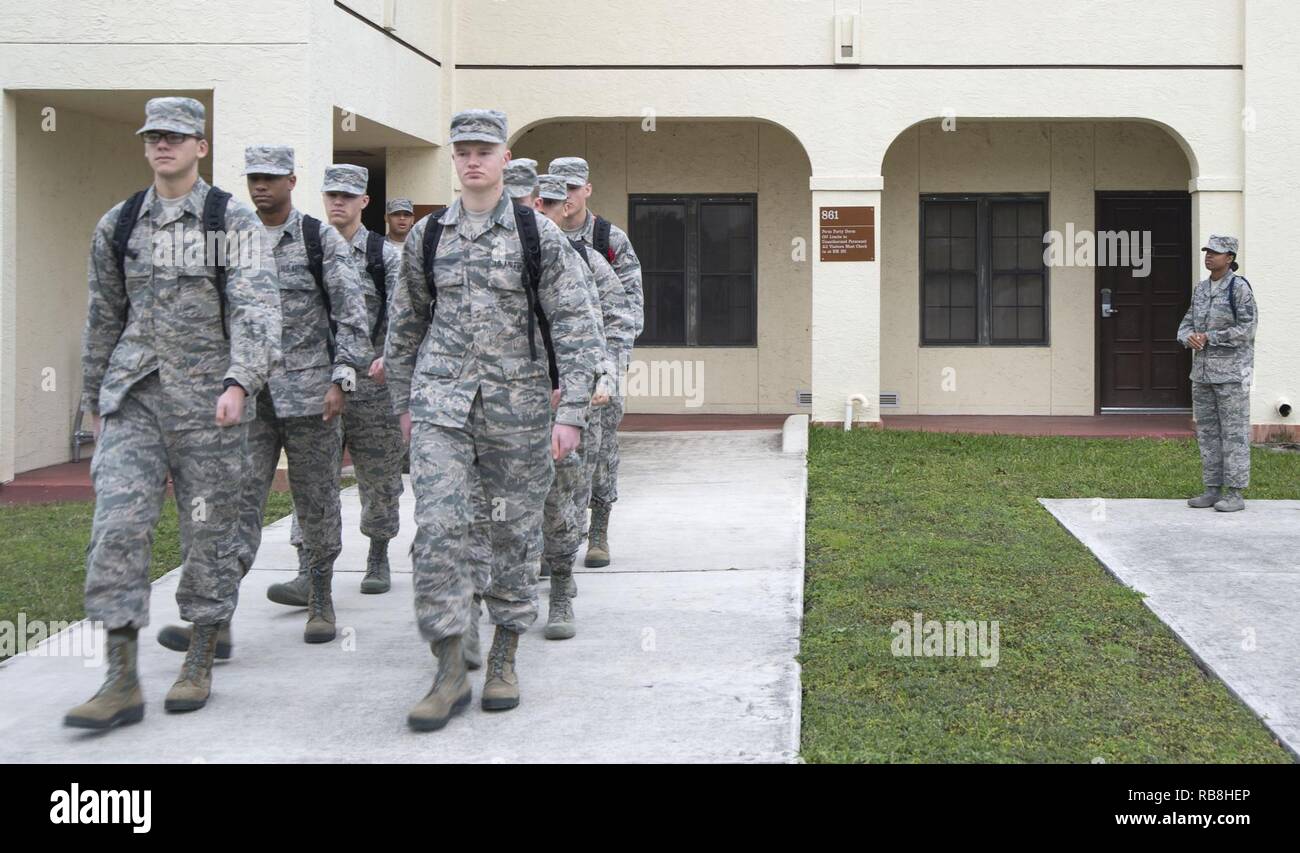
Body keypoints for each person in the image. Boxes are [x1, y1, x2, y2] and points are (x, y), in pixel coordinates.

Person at [385, 110, 604, 731]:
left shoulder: (538, 234)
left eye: (484, 149)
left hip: (520, 409)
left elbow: (574, 325)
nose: (473, 160)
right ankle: (450, 665)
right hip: (440, 407)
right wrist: (404, 403)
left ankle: (505, 651)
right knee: (440, 529)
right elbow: (404, 327)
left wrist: (572, 413)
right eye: (463, 151)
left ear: (505, 157)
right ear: (452, 160)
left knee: (512, 533)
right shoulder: (428, 237)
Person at [66, 97, 280, 727]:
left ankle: (201, 657)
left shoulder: (230, 221)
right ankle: (120, 677)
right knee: (117, 526)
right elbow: (103, 313)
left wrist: (241, 381)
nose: (163, 146)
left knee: (208, 531)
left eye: (176, 137)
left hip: (209, 405)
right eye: (154, 136)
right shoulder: (122, 220)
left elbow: (256, 308)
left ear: (199, 147)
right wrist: (95, 400)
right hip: (134, 396)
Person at [277, 165, 405, 597]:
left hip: (371, 385)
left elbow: (406, 314)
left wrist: (391, 355)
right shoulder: (308, 248)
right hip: (317, 383)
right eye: (331, 194)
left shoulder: (383, 255)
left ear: (364, 202)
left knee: (379, 475)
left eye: (348, 196)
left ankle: (378, 554)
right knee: (313, 477)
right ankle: (307, 567)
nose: (338, 202)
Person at [547, 156, 644, 567]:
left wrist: (610, 370)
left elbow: (629, 310)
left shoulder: (608, 239)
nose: (565, 197)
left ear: (586, 190)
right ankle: (556, 536)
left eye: (573, 188)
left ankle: (598, 531)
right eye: (557, 190)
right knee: (556, 456)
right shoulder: (535, 238)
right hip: (551, 371)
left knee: (600, 452)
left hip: (601, 366)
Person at [1178, 234, 1258, 512]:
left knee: (1233, 433)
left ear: (1230, 258)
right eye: (1208, 251)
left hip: (1232, 375)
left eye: (1216, 252)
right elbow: (1186, 324)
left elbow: (1247, 329)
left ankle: (1235, 494)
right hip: (1201, 375)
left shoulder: (1239, 288)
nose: (1209, 255)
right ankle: (1212, 489)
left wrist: (1211, 337)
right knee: (1208, 433)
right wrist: (1188, 337)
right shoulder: (1201, 289)